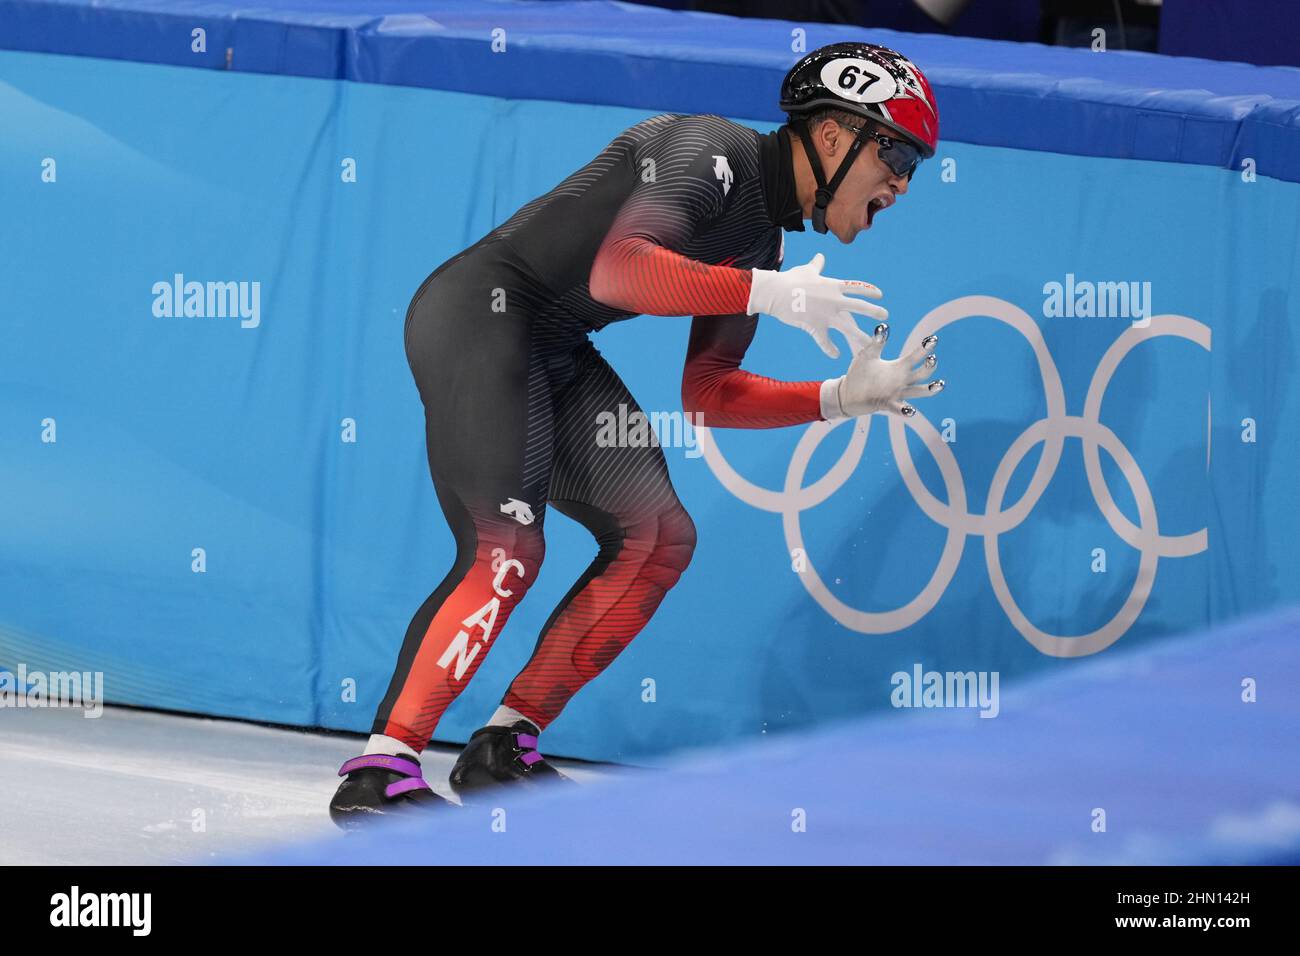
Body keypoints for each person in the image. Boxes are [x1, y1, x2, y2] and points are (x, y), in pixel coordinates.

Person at [329, 41, 946, 827]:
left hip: (549, 344)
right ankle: (384, 764)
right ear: (832, 137)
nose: (900, 183)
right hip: (479, 317)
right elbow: (620, 271)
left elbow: (710, 395)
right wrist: (767, 294)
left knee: (658, 537)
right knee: (509, 550)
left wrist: (841, 396)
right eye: (896, 157)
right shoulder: (708, 150)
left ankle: (503, 746)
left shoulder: (762, 241)